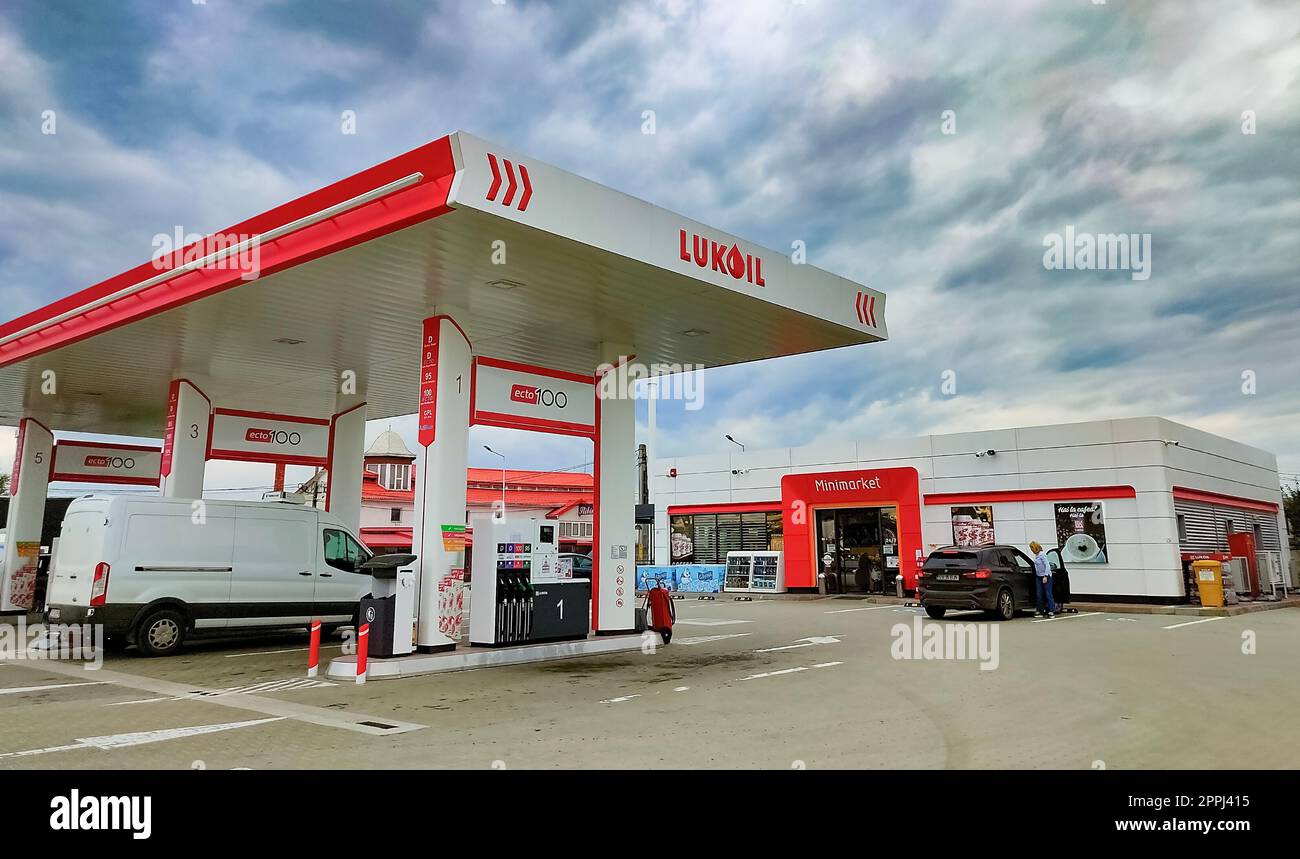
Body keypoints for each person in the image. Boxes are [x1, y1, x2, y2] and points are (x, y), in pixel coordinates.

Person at [1029, 541, 1056, 618]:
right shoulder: (1037, 556)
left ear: (1035, 548)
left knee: (1048, 593)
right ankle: (1040, 610)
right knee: (1039, 594)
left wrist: (1045, 575)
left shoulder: (1042, 555)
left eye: (1032, 548)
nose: (1032, 550)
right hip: (1038, 576)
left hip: (1045, 576)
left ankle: (1051, 611)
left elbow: (1047, 566)